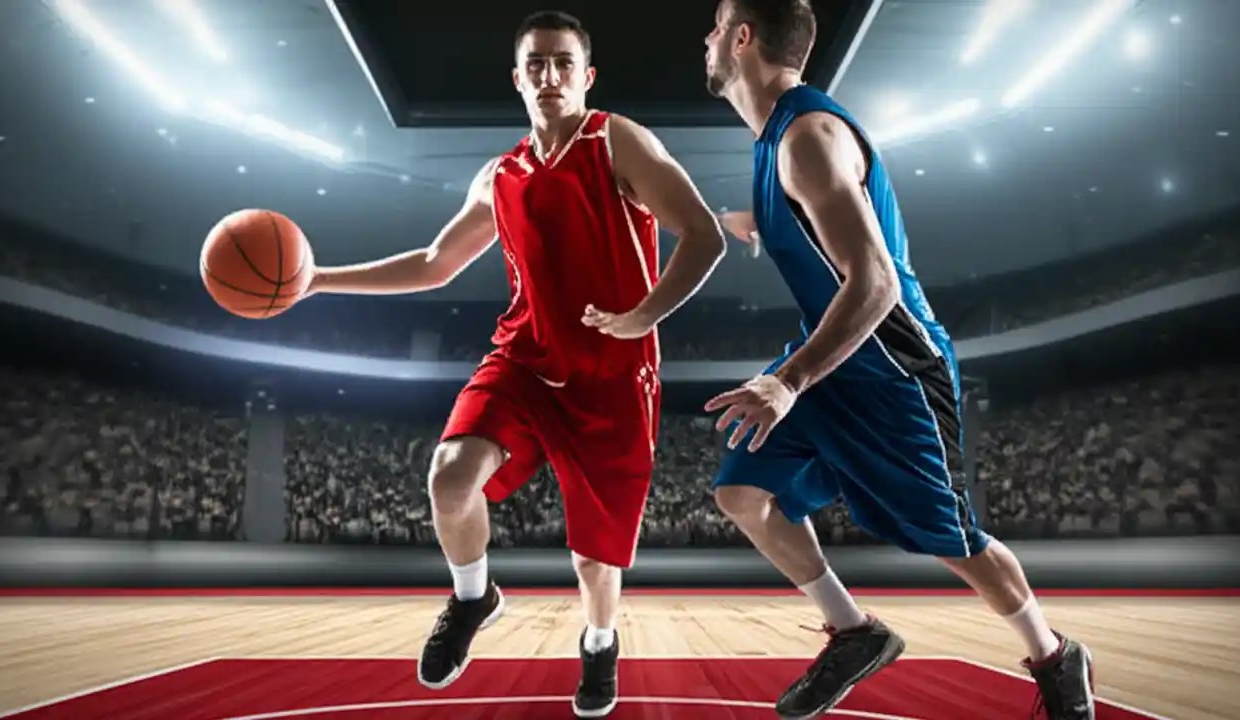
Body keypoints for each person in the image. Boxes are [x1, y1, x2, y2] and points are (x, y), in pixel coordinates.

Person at [306, 10, 725, 718]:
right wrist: (319, 279)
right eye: (536, 63)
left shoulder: (616, 141)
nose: (550, 75)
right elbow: (435, 264)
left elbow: (705, 236)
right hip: (525, 361)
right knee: (449, 475)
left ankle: (598, 643)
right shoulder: (501, 174)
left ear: (587, 76)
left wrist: (642, 316)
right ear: (518, 77)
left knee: (594, 563)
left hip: (613, 380)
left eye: (564, 63)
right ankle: (474, 599)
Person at [701, 1, 1095, 718]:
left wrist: (788, 380)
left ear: (742, 38)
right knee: (742, 493)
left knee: (957, 541)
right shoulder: (776, 144)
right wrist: (752, 220)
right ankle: (855, 633)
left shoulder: (807, 137)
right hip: (835, 360)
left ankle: (1055, 655)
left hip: (893, 370)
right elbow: (816, 217)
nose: (706, 38)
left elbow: (876, 283)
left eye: (716, 24)